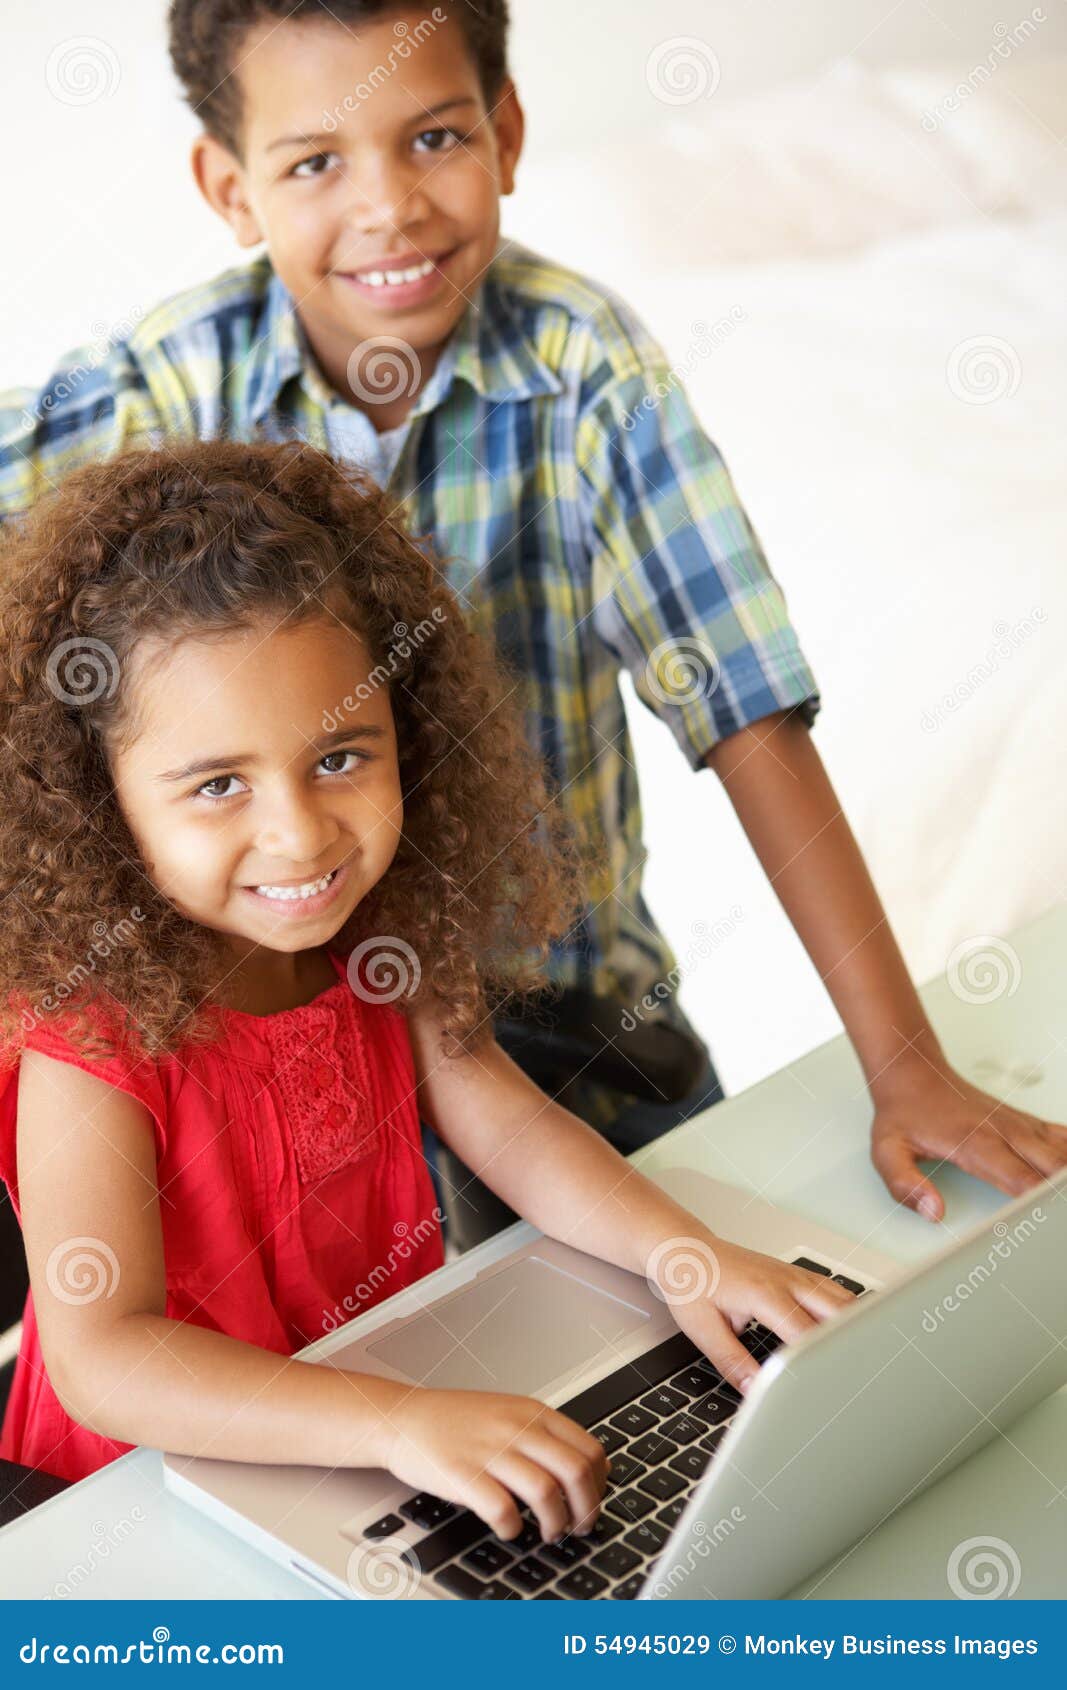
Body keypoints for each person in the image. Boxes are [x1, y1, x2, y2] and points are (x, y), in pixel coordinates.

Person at [1, 3, 1063, 1252]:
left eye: (434, 136)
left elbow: (748, 713)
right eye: (315, 163)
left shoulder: (586, 374)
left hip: (555, 1011)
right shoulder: (164, 382)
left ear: (504, 132)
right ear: (231, 189)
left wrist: (900, 1061)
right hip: (264, 1017)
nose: (389, 205)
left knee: (726, 1301)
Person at [0, 440, 858, 1526]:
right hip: (135, 1504)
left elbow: (502, 1123)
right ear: (100, 802)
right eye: (218, 784)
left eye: (340, 757)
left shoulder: (378, 935)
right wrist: (394, 1421)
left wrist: (681, 1255)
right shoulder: (91, 1031)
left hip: (369, 1453)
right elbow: (103, 1358)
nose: (299, 833)